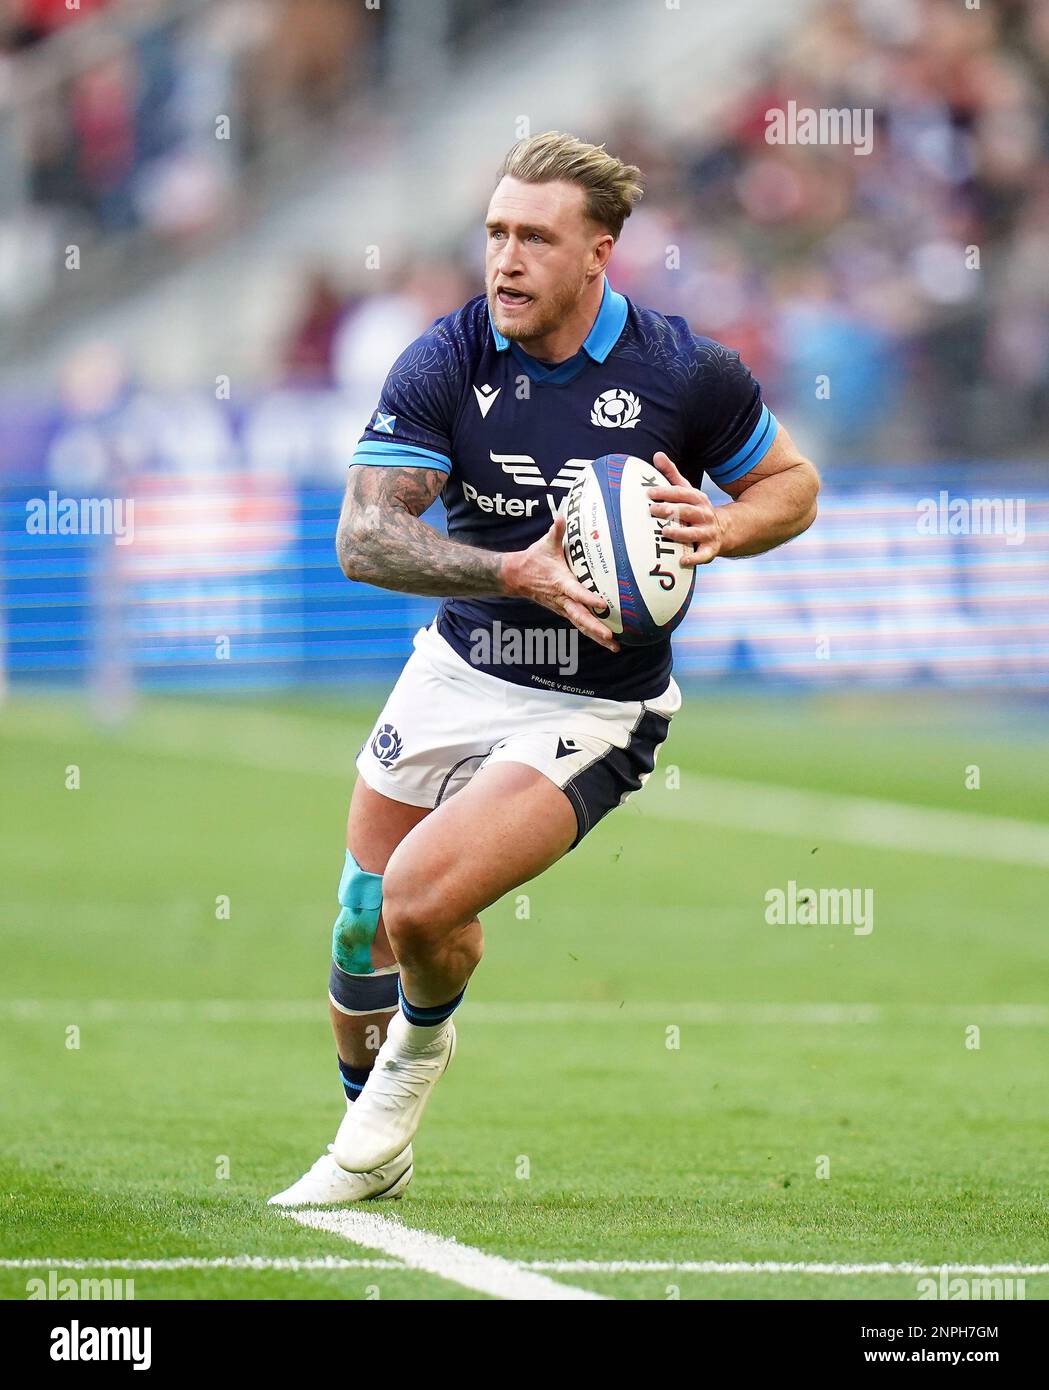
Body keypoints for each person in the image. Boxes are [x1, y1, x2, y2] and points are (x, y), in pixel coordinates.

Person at [270, 131, 819, 1205]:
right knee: (358, 916)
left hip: (598, 703)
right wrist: (509, 572)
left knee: (421, 903)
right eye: (493, 235)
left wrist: (719, 527)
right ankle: (371, 1142)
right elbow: (363, 539)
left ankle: (398, 1093)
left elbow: (791, 486)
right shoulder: (449, 356)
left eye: (533, 238)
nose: (504, 261)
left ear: (596, 255)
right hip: (461, 661)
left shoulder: (682, 371)